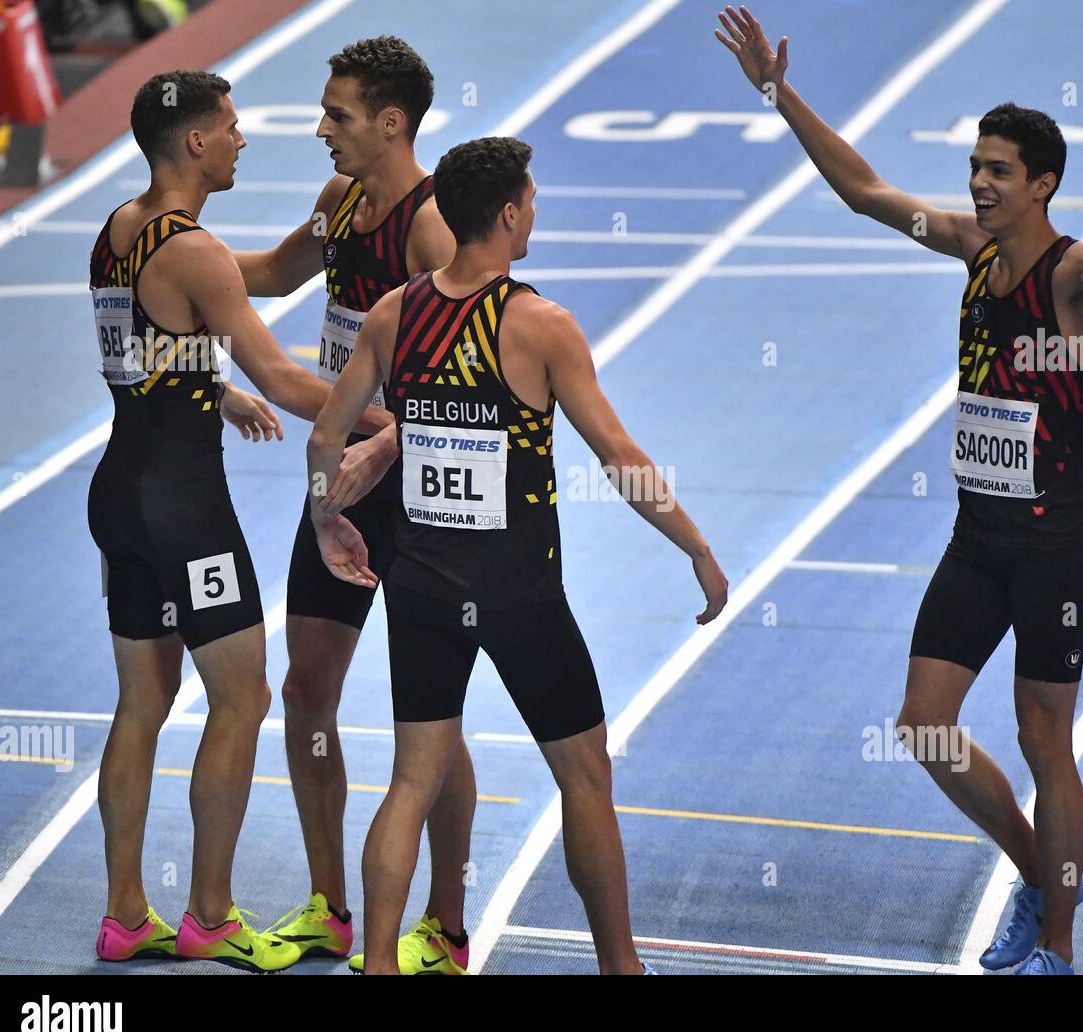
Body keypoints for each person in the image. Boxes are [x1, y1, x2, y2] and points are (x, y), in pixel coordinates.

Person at [716, 5, 1083, 975]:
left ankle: (1058, 948)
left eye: (998, 171)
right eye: (975, 167)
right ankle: (1040, 876)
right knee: (924, 725)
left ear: (1043, 185)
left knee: (1041, 737)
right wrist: (775, 93)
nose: (978, 183)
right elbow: (862, 191)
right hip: (977, 534)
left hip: (1055, 535)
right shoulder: (968, 248)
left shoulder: (1075, 270)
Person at [306, 136, 729, 974]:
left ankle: (382, 964)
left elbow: (327, 434)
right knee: (584, 777)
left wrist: (328, 523)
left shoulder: (395, 312)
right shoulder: (539, 324)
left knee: (411, 779)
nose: (534, 212)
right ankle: (620, 965)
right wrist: (698, 546)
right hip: (520, 592)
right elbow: (619, 456)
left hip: (420, 581)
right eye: (529, 201)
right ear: (506, 214)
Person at [88, 69, 392, 972]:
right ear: (194, 143)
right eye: (230, 127)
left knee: (142, 699)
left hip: (120, 496)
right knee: (244, 695)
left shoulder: (122, 231)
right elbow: (293, 382)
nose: (242, 139)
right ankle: (211, 914)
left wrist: (323, 233)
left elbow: (162, 336)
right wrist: (389, 423)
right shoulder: (197, 252)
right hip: (186, 509)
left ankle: (123, 913)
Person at [231, 35, 468, 972]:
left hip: (414, 494)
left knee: (431, 717)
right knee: (306, 690)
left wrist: (380, 433)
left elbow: (460, 388)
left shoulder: (430, 227)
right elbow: (271, 276)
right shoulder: (341, 202)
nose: (320, 127)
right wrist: (165, 237)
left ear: (390, 121)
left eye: (336, 114)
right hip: (342, 484)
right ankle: (331, 907)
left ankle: (444, 926)